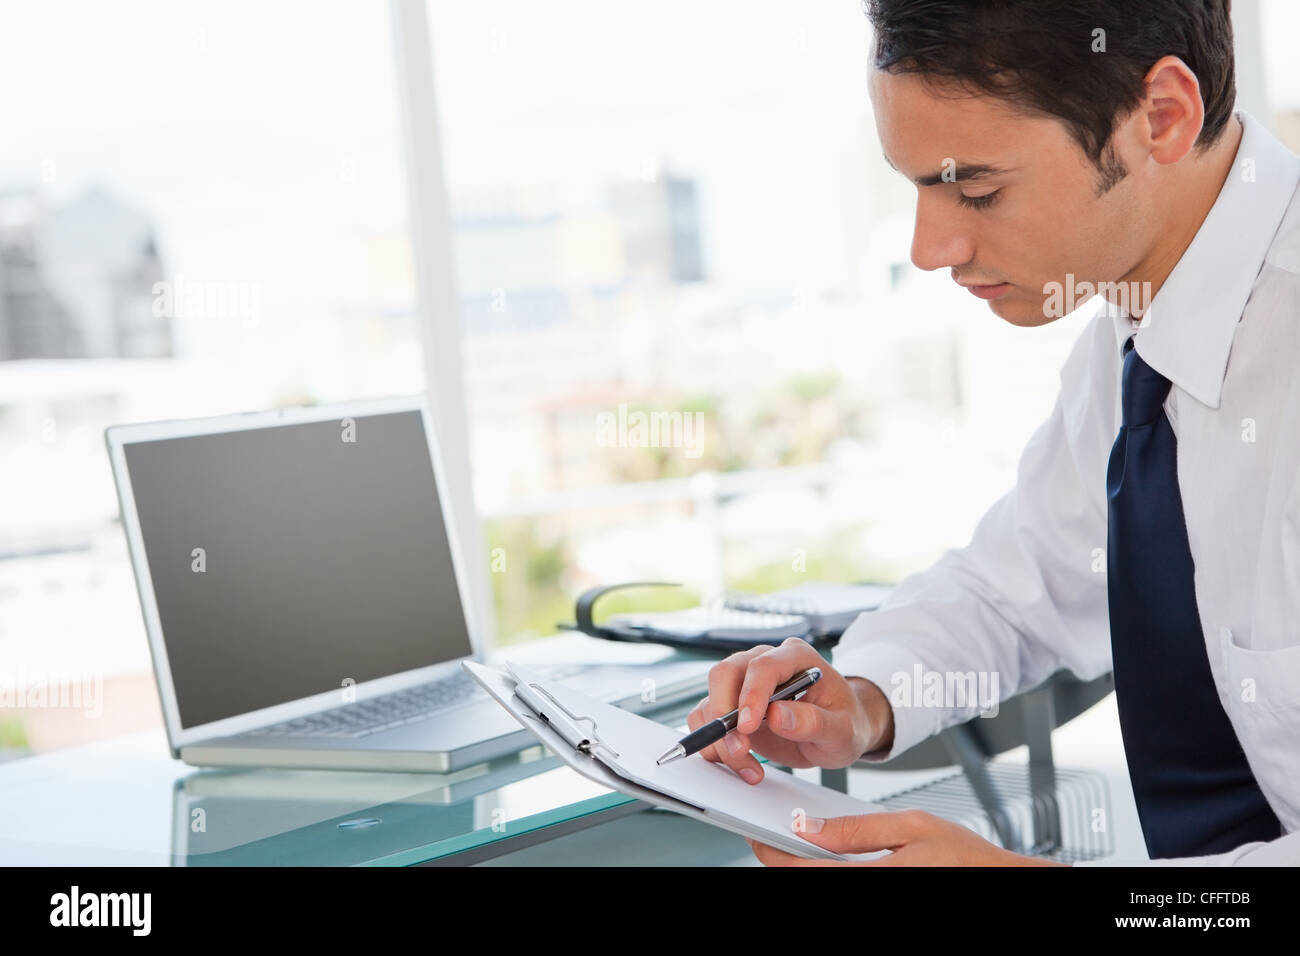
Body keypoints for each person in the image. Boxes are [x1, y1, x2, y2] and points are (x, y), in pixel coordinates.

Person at [688, 0, 1300, 866]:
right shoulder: (1137, 340)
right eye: (918, 186)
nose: (930, 246)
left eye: (976, 188)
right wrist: (860, 700)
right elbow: (1016, 589)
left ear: (1160, 117)